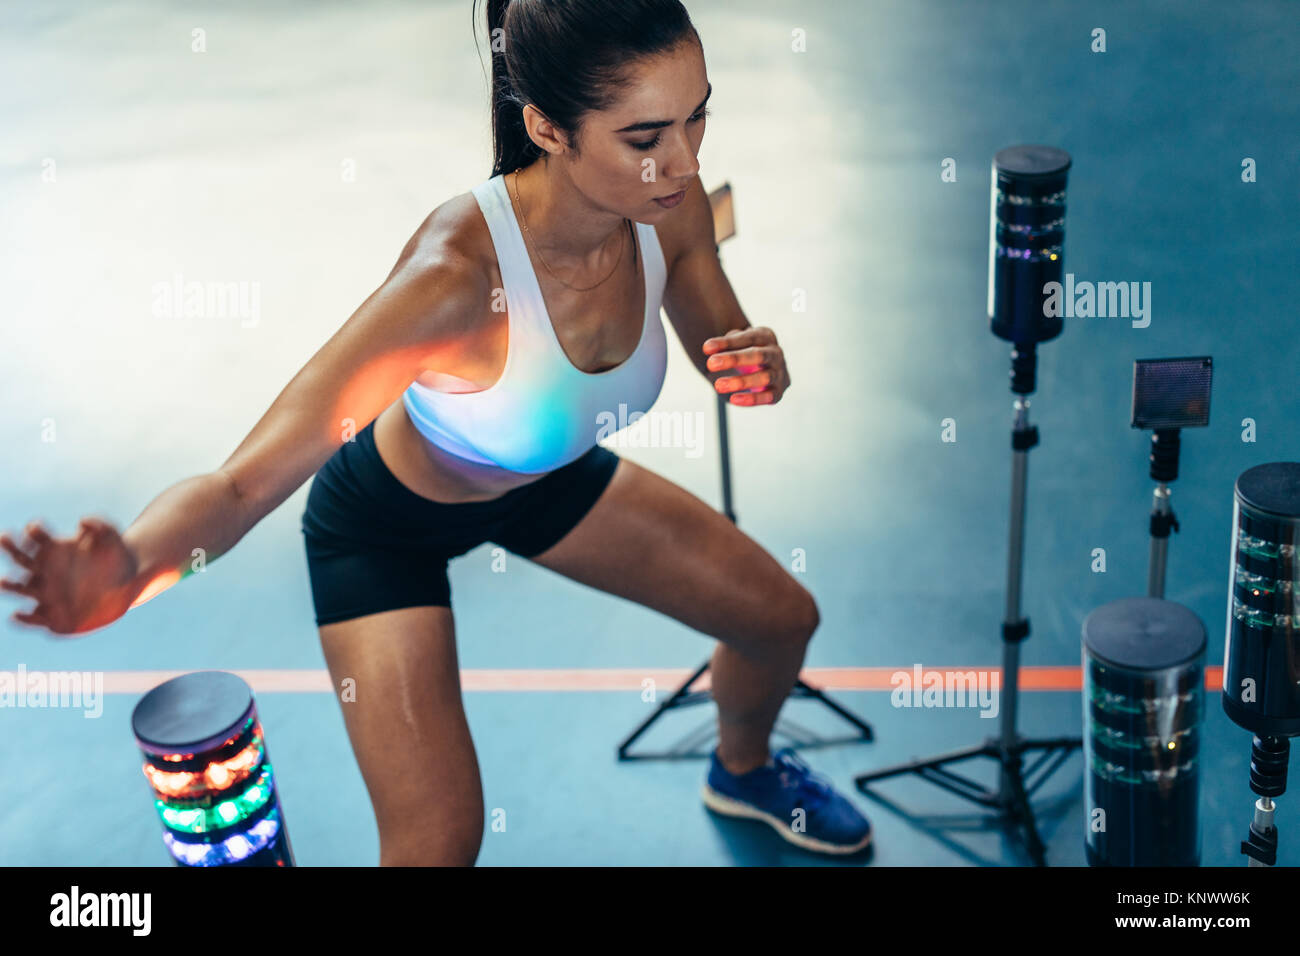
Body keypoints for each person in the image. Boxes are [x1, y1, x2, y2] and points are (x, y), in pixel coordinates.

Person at [1, 0, 871, 864]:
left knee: (778, 619)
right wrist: (137, 568)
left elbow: (714, 321)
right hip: (386, 528)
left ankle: (744, 771)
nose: (683, 160)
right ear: (548, 128)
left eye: (698, 115)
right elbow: (241, 487)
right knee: (440, 841)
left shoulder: (668, 203)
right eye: (645, 139)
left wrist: (755, 363)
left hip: (548, 476)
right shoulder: (453, 283)